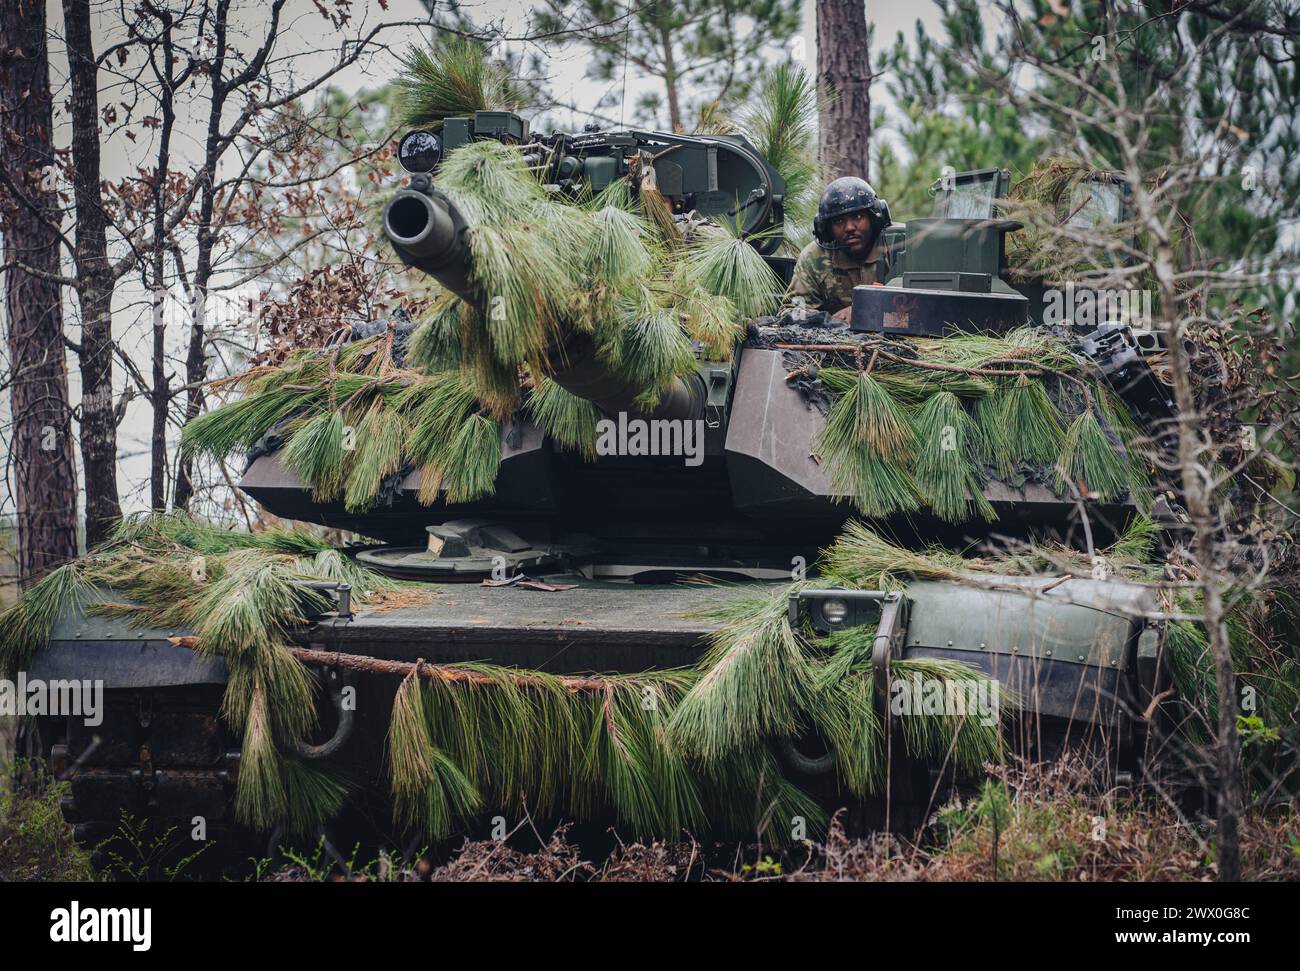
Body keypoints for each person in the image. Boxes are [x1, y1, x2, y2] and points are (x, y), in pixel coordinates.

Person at [781, 176, 892, 321]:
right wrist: (828, 320)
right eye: (839, 221)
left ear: (874, 218)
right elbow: (790, 313)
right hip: (835, 340)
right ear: (826, 230)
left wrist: (862, 310)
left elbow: (923, 302)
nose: (850, 227)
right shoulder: (815, 257)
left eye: (858, 216)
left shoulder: (896, 245)